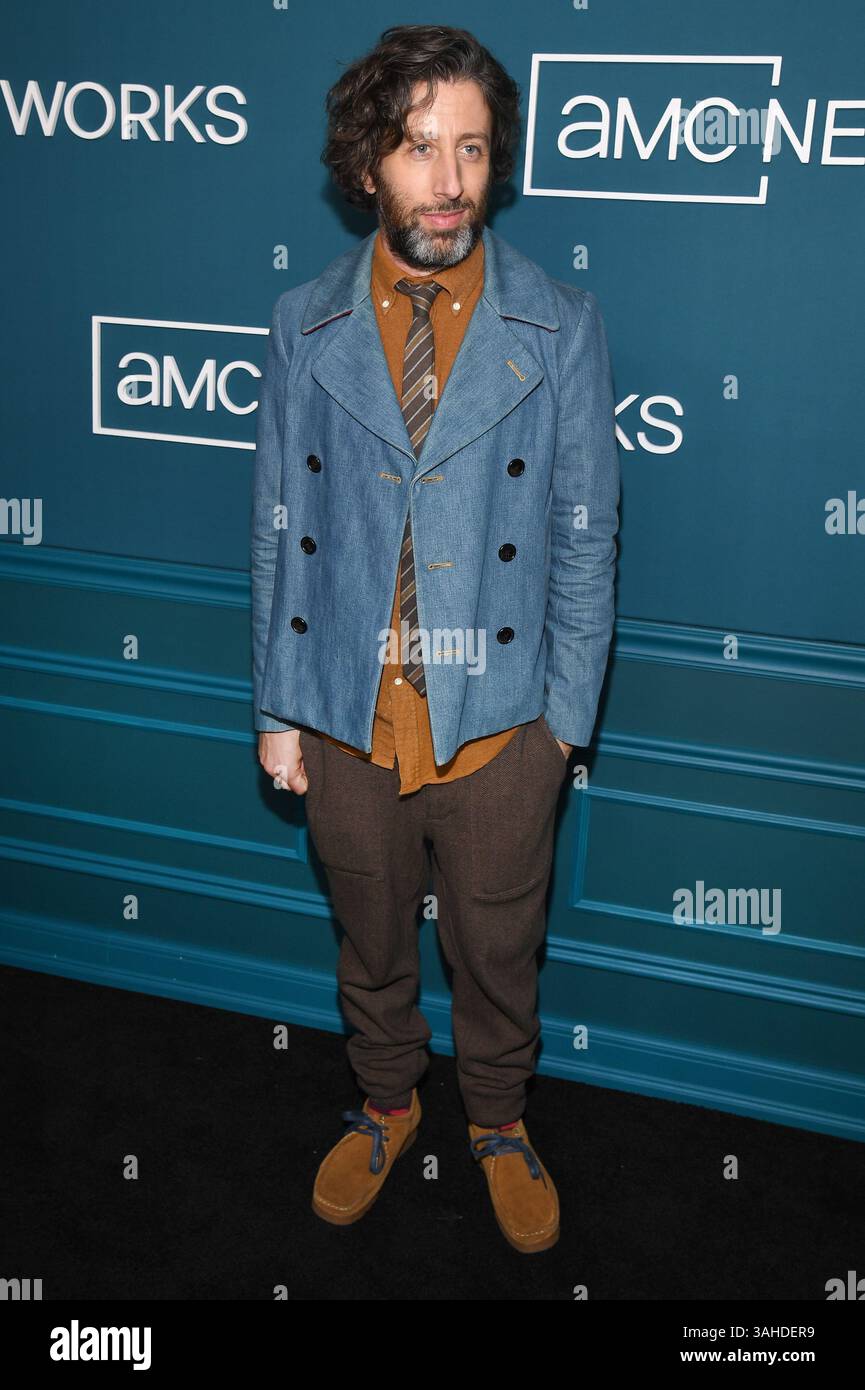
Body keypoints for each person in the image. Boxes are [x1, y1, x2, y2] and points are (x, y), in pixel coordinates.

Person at [250, 24, 620, 1254]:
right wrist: (275, 702)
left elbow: (582, 537)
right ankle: (385, 1100)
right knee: (367, 935)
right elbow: (278, 526)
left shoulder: (561, 325)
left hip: (501, 719)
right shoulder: (303, 324)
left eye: (470, 147)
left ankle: (501, 1121)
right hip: (346, 714)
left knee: (500, 946)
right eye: (419, 149)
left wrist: (562, 722)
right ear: (368, 165)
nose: (450, 179)